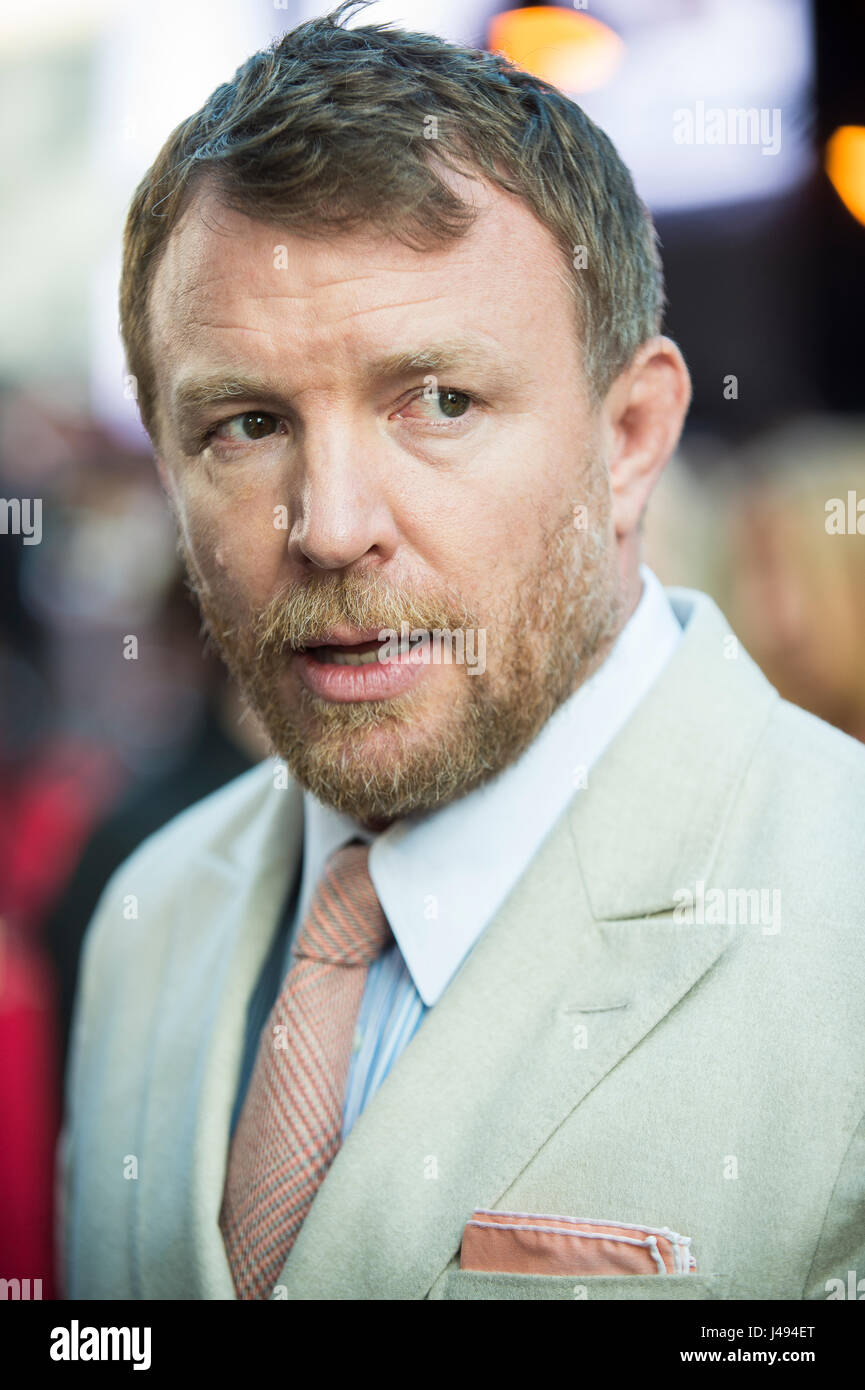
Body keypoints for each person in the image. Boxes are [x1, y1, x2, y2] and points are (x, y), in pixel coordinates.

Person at [57, 2, 865, 1301]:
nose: (330, 527)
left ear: (632, 437)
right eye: (246, 422)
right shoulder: (149, 913)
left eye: (437, 401)